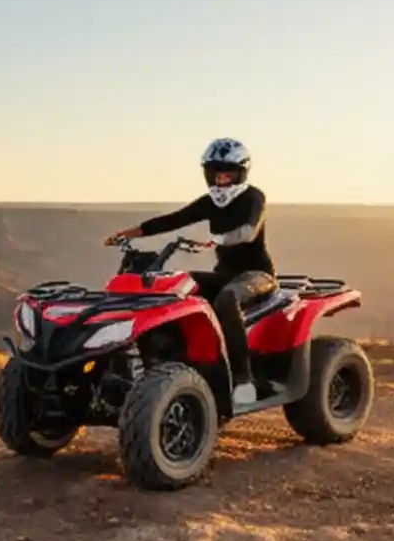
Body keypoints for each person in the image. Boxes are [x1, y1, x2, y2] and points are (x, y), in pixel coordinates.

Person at [106, 137, 277, 404]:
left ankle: (244, 379)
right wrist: (132, 233)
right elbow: (175, 219)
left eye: (227, 174)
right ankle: (173, 363)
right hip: (224, 274)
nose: (221, 180)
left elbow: (247, 232)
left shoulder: (254, 198)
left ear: (240, 172)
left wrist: (215, 240)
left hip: (257, 275)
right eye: (216, 174)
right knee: (176, 286)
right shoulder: (209, 202)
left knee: (227, 299)